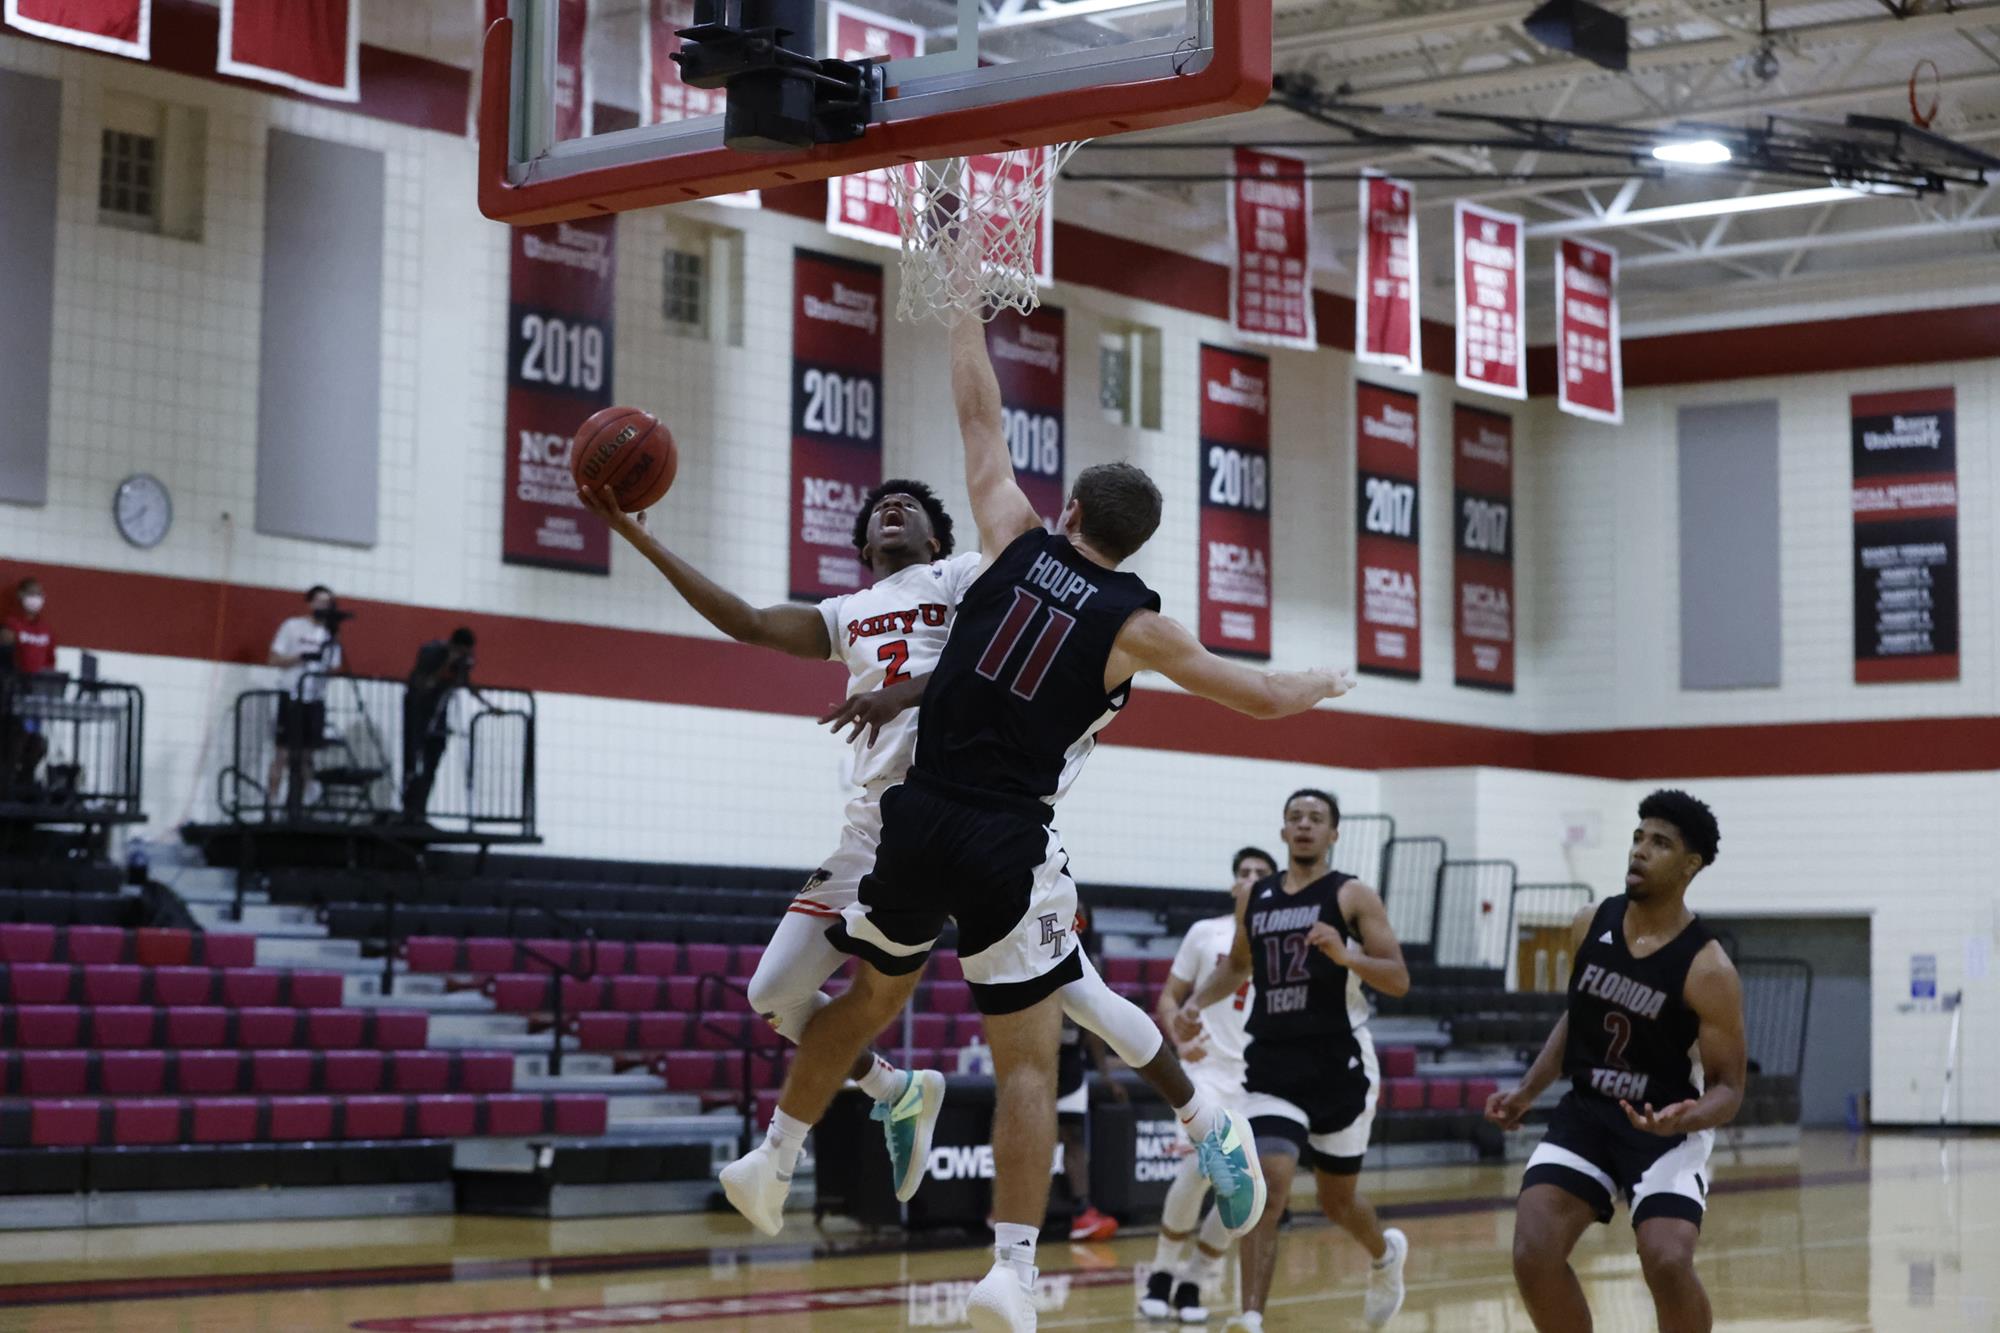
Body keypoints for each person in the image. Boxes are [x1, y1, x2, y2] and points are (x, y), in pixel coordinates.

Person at [718, 314, 1353, 1333]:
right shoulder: (1138, 627)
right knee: (1031, 1047)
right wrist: (1316, 682)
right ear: (1135, 544)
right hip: (1010, 837)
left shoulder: (1007, 537)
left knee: (870, 995)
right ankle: (1014, 1264)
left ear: (1064, 509)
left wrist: (963, 305)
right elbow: (1260, 697)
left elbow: (980, 414)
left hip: (914, 818)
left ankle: (777, 1155)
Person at [580, 472, 1263, 1218]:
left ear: (938, 536)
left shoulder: (971, 575)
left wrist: (902, 694)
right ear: (865, 541)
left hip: (981, 809)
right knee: (773, 993)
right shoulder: (846, 614)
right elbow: (744, 620)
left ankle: (1207, 1125)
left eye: (906, 504)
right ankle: (894, 1089)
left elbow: (1003, 657)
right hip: (878, 828)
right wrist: (639, 537)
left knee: (1079, 994)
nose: (890, 507)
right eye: (877, 508)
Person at [1484, 790, 1745, 1333]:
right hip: (1588, 1114)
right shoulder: (1590, 922)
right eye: (1638, 837)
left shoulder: (1708, 967)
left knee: (1667, 1261)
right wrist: (1528, 1091)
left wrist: (1685, 1117)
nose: (1640, 851)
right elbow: (1578, 1018)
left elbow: (1729, 1088)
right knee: (1533, 1250)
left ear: (1690, 865)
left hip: (1665, 1128)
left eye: (1661, 843)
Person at [1178, 790, 1412, 1331]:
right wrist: (1194, 1002)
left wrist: (1345, 953)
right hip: (1274, 1060)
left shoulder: (1352, 895)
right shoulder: (1255, 896)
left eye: (1317, 819)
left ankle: (1384, 1254)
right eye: (1295, 818)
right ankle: (1251, 1317)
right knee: (1267, 1182)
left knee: (1337, 1201)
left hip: (1339, 1059)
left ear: (1333, 834)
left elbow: (1397, 978)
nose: (1304, 826)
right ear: (1283, 831)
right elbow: (1238, 966)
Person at [1142, 844, 1278, 1323]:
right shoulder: (1206, 933)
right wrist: (1179, 1036)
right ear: (1232, 882)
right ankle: (1161, 1272)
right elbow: (1168, 998)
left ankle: (1194, 1281)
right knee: (1204, 1166)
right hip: (1206, 1071)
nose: (1251, 878)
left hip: (1261, 1077)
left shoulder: (1285, 938)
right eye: (1244, 871)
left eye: (1262, 872)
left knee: (1242, 1183)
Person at [266, 586, 344, 813]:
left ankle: (300, 806)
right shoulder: (292, 626)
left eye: (327, 603)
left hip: (315, 698)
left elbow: (335, 666)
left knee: (306, 755)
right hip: (292, 694)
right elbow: (273, 658)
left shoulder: (330, 634)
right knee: (283, 752)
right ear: (309, 603)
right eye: (318, 601)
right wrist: (299, 658)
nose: (322, 607)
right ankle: (271, 803)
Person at [403, 627, 479, 822]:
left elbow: (464, 683)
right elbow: (425, 683)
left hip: (439, 713)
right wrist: (447, 662)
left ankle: (421, 809)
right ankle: (409, 808)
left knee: (432, 761)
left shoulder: (461, 660)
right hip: (418, 709)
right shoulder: (432, 652)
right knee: (414, 760)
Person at [0, 578, 55, 795]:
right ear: (21, 595)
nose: (36, 598)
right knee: (14, 739)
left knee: (37, 741)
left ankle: (26, 780)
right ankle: (7, 785)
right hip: (12, 696)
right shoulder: (10, 625)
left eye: (39, 593)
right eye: (32, 593)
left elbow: (50, 662)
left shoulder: (45, 630)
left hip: (36, 697)